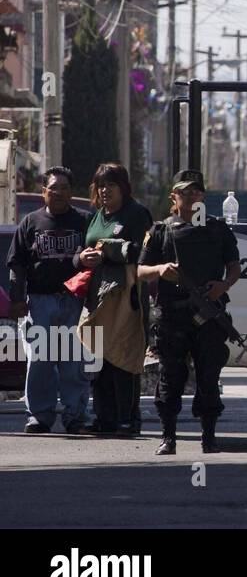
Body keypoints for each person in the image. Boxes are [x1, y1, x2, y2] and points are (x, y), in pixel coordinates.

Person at [137, 170, 241, 455]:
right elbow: (140, 270)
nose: (192, 197)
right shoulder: (161, 230)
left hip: (208, 314)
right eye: (186, 193)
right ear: (174, 197)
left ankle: (209, 436)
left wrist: (224, 285)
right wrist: (160, 270)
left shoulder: (217, 229)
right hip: (172, 315)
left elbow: (234, 266)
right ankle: (168, 436)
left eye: (197, 192)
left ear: (204, 196)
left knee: (208, 375)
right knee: (171, 377)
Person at [7, 168, 90, 433]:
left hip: (74, 302)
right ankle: (39, 416)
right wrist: (17, 298)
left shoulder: (84, 221)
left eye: (65, 188)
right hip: (39, 302)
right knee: (39, 362)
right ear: (44, 191)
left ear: (71, 192)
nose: (59, 193)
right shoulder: (30, 222)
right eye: (54, 187)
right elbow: (16, 263)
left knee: (72, 361)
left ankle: (74, 415)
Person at [82, 162, 154, 436]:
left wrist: (108, 251)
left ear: (123, 188)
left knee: (124, 357)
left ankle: (128, 418)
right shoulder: (97, 215)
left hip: (127, 297)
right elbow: (85, 246)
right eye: (100, 185)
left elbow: (144, 253)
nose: (104, 190)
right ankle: (104, 418)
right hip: (97, 298)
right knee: (99, 358)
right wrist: (82, 257)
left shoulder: (136, 214)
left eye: (110, 185)